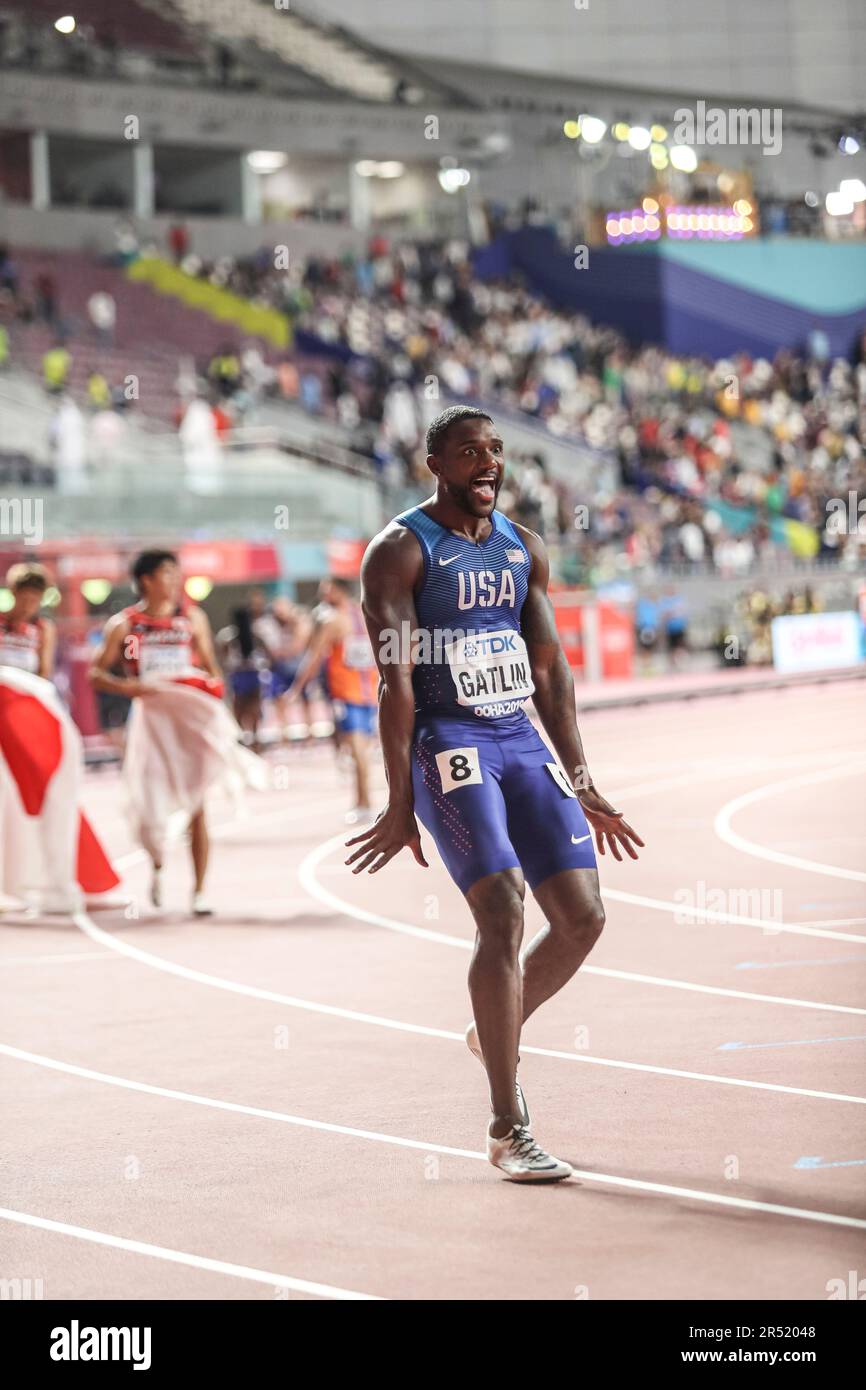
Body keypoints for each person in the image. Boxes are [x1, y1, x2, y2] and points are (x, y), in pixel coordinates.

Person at [346, 406, 643, 1182]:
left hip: (519, 739)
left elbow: (549, 672)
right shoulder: (400, 552)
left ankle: (495, 1026)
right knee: (505, 905)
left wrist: (581, 780)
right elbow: (395, 681)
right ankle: (508, 1125)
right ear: (434, 464)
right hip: (450, 740)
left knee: (584, 917)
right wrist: (399, 801)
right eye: (469, 451)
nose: (488, 463)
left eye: (497, 451)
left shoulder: (523, 549)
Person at [88, 550, 226, 916]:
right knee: (151, 805)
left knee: (198, 804)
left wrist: (205, 686)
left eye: (177, 573)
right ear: (147, 579)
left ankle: (199, 891)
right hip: (151, 722)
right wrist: (132, 688)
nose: (176, 580)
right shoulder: (125, 624)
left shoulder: (191, 619)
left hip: (188, 721)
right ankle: (158, 865)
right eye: (168, 573)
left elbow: (214, 672)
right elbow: (96, 673)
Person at [289, 578, 377, 822]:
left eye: (325, 589)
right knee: (361, 751)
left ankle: (365, 803)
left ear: (338, 591)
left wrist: (297, 687)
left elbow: (314, 656)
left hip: (348, 693)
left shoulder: (333, 621)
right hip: (371, 691)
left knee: (358, 751)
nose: (321, 594)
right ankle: (363, 801)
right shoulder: (368, 613)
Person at [0, 563, 56, 678]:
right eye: (24, 599)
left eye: (33, 601)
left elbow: (44, 671)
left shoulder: (43, 628)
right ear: (14, 593)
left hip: (28, 689)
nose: (27, 606)